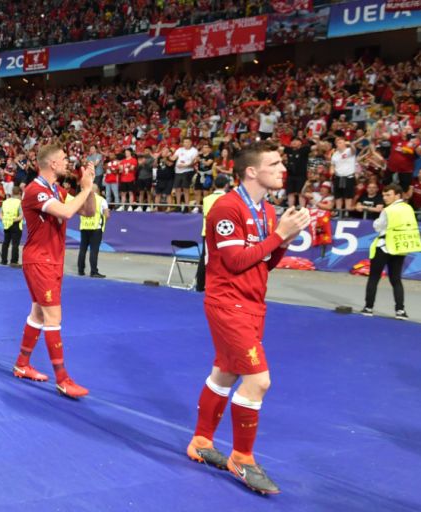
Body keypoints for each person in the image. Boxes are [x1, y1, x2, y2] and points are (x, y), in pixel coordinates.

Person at [185, 141, 311, 495]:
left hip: (253, 304)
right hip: (228, 305)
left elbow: (265, 262)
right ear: (252, 171)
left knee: (224, 373)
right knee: (259, 381)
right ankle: (242, 457)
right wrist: (280, 236)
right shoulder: (227, 208)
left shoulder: (268, 211)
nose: (283, 168)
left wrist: (282, 240)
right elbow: (236, 261)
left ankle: (201, 440)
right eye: (275, 162)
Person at [10, 144, 96, 399]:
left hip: (52, 260)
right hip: (40, 261)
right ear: (52, 165)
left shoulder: (56, 190)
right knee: (53, 318)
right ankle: (63, 379)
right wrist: (86, 189)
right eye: (64, 159)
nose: (68, 162)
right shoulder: (35, 191)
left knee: (38, 312)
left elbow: (87, 211)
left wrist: (87, 188)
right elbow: (68, 211)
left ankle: (22, 364)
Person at [362, 184, 421, 319]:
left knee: (374, 278)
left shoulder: (388, 210)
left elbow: (378, 226)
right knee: (396, 280)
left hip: (384, 246)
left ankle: (368, 307)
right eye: (383, 195)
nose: (385, 198)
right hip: (399, 246)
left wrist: (378, 221)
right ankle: (400, 310)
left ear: (397, 195)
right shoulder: (409, 209)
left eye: (388, 195)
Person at [196, 175, 230, 292]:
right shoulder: (228, 198)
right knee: (224, 259)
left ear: (215, 185)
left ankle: (200, 285)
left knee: (204, 258)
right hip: (223, 232)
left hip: (207, 231)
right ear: (226, 185)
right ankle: (221, 286)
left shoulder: (206, 199)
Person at [77, 184, 108, 278]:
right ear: (97, 190)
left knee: (83, 249)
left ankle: (81, 270)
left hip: (84, 227)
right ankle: (93, 271)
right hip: (96, 228)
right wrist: (104, 219)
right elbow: (107, 214)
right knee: (94, 251)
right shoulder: (101, 200)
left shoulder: (82, 199)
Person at [0, 185, 23, 266]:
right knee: (15, 244)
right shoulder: (19, 202)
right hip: (15, 224)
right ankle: (13, 261)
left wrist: (5, 220)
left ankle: (3, 260)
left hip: (6, 224)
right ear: (19, 193)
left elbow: (1, 214)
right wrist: (13, 220)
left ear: (12, 192)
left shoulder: (5, 201)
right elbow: (21, 216)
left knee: (5, 242)